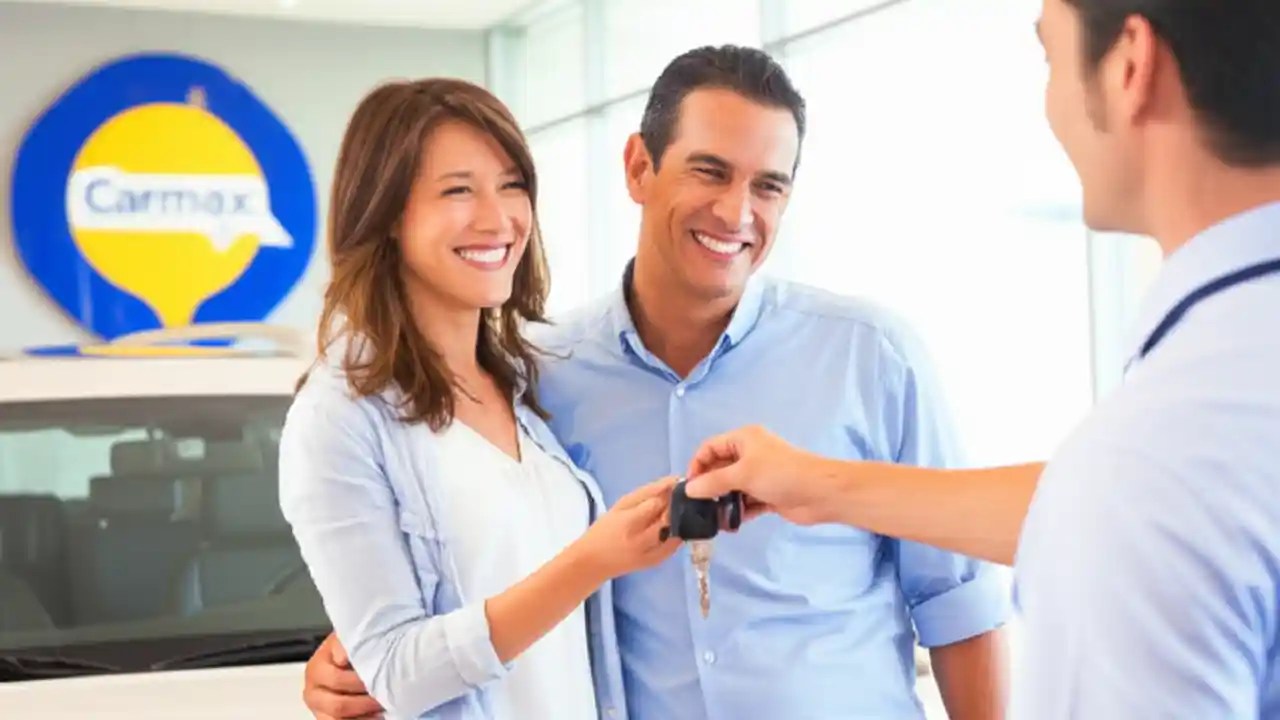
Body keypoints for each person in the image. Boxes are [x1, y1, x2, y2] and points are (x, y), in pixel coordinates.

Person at [303, 46, 1010, 720]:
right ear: (639, 167)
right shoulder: (541, 377)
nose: (737, 213)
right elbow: (480, 561)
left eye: (769, 186)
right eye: (709, 171)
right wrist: (359, 654)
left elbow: (959, 604)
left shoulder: (871, 357)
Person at [682, 1, 1280, 718]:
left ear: (1129, 66)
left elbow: (1134, 498)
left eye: (1050, 57)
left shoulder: (1152, 457)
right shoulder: (1205, 420)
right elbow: (1128, 500)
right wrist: (819, 484)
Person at [277, 77, 682, 720]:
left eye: (512, 185)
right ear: (385, 215)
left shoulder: (526, 386)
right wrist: (595, 559)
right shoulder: (338, 418)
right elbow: (395, 671)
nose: (498, 219)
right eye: (458, 190)